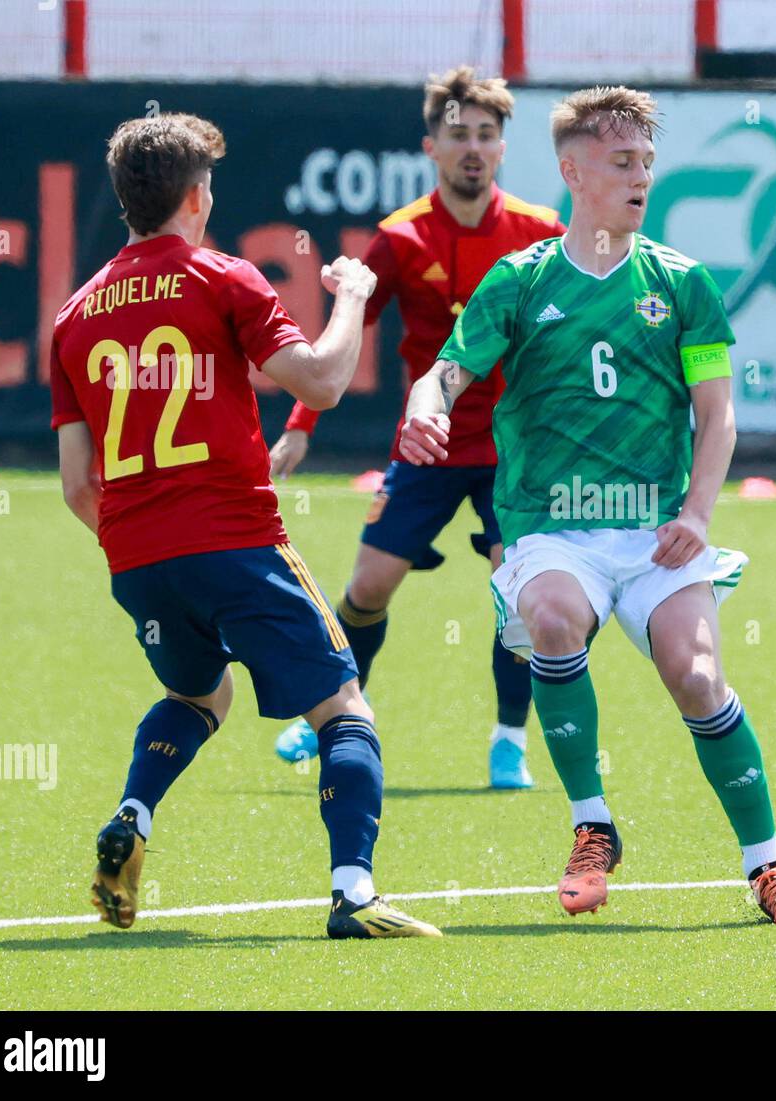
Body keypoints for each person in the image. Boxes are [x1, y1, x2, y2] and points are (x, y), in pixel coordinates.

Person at [396, 86, 776, 926]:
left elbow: (717, 413)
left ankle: (767, 867)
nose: (641, 178)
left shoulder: (683, 284)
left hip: (658, 532)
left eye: (647, 163)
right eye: (622, 162)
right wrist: (428, 405)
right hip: (549, 529)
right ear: (573, 172)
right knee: (553, 621)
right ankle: (593, 827)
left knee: (698, 677)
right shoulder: (519, 282)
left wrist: (698, 515)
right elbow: (448, 369)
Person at [51, 112, 440, 939]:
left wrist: (138, 543)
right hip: (235, 541)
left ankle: (134, 813)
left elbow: (75, 484)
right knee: (343, 708)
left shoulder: (75, 316)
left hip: (139, 560)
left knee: (198, 692)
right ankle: (353, 892)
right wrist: (356, 296)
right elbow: (325, 381)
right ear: (197, 196)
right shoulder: (221, 277)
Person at [269, 67, 566, 790]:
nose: (473, 147)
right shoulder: (400, 238)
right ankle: (337, 718)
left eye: (486, 135)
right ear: (431, 145)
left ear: (502, 148)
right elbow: (348, 329)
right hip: (426, 444)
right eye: (458, 134)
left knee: (519, 595)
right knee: (368, 586)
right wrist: (301, 423)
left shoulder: (540, 233)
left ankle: (508, 741)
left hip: (512, 449)